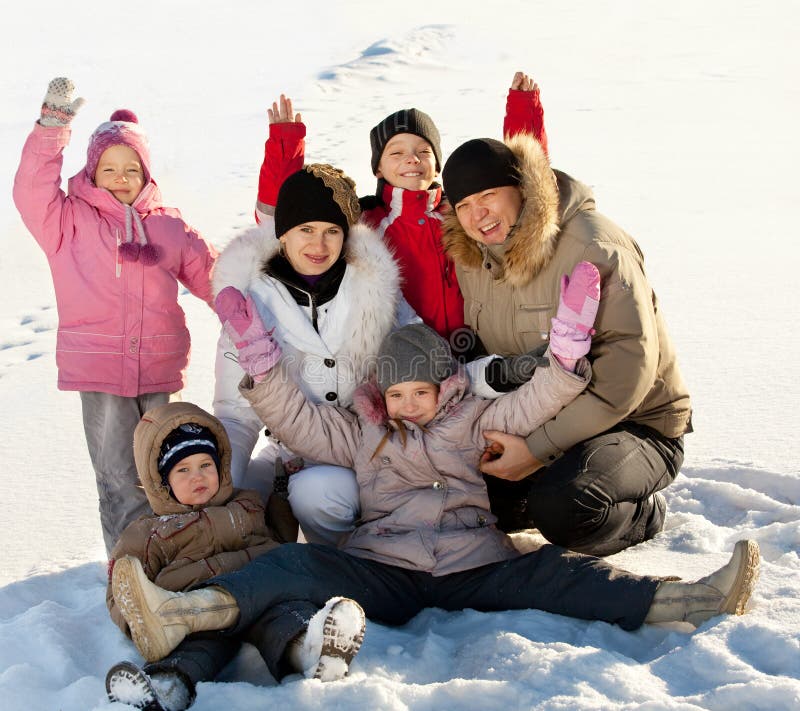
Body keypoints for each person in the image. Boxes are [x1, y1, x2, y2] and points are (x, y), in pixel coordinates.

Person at [110, 274, 759, 671]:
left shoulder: (473, 416)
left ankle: (689, 598)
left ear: (444, 384)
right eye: (397, 395)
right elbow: (301, 420)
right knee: (290, 568)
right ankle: (185, 613)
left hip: (473, 561)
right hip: (385, 569)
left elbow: (534, 401)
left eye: (420, 391)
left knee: (562, 576)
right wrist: (259, 359)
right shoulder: (364, 429)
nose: (409, 404)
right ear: (380, 397)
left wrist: (565, 355)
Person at [439, 130, 693, 556]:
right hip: (543, 416)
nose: (477, 214)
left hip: (637, 423)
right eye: (463, 205)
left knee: (566, 508)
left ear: (520, 187)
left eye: (487, 194)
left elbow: (625, 378)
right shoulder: (474, 258)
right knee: (466, 498)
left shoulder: (592, 245)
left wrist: (536, 451)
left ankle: (644, 515)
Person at [13, 78, 218, 555]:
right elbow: (30, 190)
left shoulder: (168, 226)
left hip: (161, 373)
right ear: (92, 170)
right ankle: (128, 565)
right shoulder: (67, 220)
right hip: (101, 374)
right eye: (110, 168)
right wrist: (52, 127)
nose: (122, 177)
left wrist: (253, 320)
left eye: (132, 168)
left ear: (147, 172)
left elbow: (216, 281)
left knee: (172, 469)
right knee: (118, 476)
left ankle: (177, 557)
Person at [105, 402, 366, 710]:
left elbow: (276, 541)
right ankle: (166, 686)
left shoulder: (245, 503)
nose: (197, 477)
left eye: (206, 465)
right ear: (162, 482)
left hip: (260, 597)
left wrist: (280, 498)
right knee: (196, 649)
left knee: (287, 615)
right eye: (183, 470)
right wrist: (137, 622)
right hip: (196, 609)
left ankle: (310, 649)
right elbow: (121, 592)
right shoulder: (147, 531)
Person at [254, 71, 548, 343]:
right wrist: (285, 145)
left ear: (436, 168)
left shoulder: (461, 213)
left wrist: (524, 114)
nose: (412, 159)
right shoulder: (365, 222)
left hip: (478, 350)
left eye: (423, 151)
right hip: (402, 366)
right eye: (396, 152)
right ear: (378, 169)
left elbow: (524, 197)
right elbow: (283, 218)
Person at [212, 163, 418, 544]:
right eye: (305, 230)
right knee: (231, 500)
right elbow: (235, 415)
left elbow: (418, 358)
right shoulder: (251, 300)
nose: (319, 246)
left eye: (331, 232)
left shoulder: (375, 287)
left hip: (364, 450)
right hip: (287, 454)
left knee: (317, 491)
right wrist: (218, 482)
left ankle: (344, 567)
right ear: (283, 234)